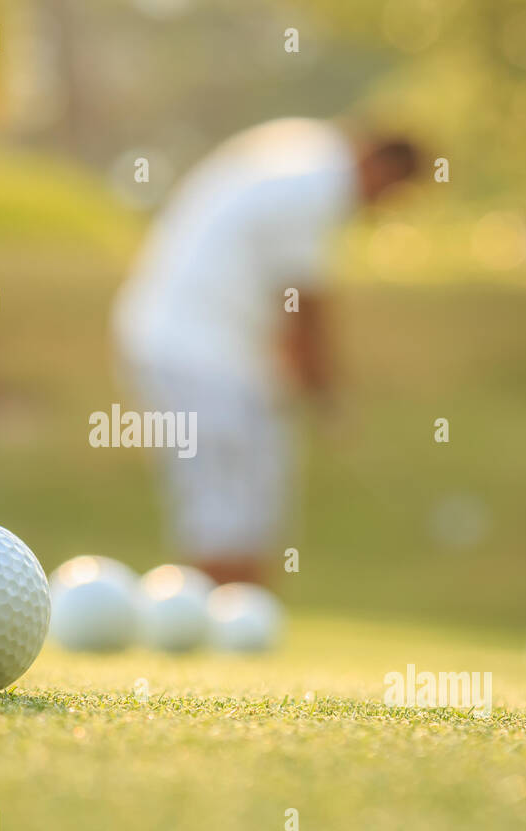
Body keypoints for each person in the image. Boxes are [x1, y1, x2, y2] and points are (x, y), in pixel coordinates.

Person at [112, 117, 420, 586]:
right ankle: (222, 626)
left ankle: (234, 623)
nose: (384, 205)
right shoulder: (317, 184)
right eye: (393, 188)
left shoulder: (305, 148)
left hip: (203, 345)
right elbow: (303, 308)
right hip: (194, 347)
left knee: (247, 498)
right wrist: (327, 395)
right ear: (378, 161)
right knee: (226, 504)